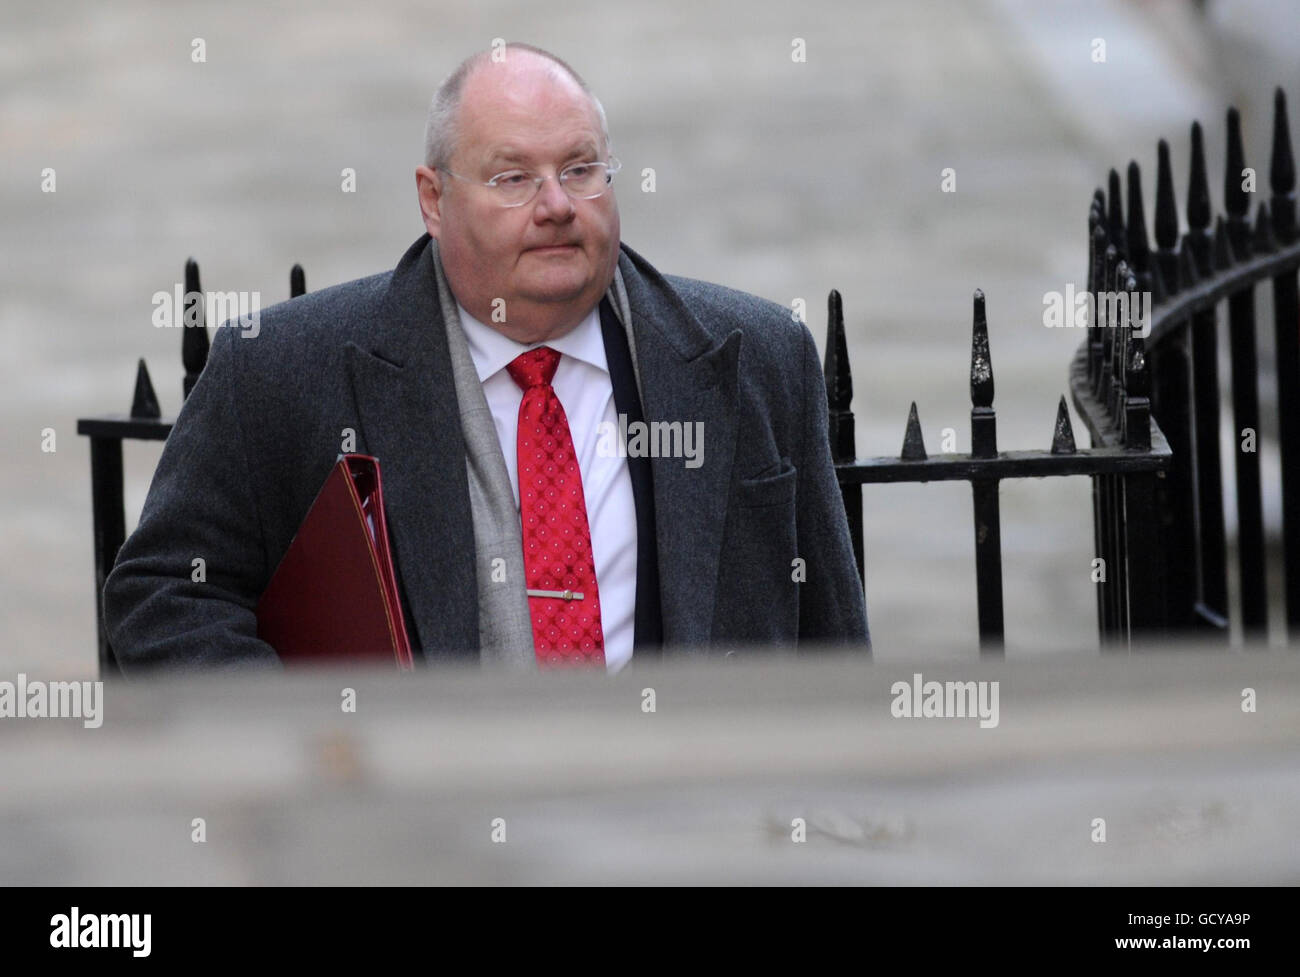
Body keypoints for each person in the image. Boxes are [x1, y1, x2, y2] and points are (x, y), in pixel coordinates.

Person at [103, 43, 869, 673]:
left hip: (694, 835)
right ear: (433, 199)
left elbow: (836, 648)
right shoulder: (277, 369)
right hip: (427, 842)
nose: (558, 205)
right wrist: (315, 743)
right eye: (513, 178)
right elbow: (163, 595)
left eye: (580, 168)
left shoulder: (761, 358)